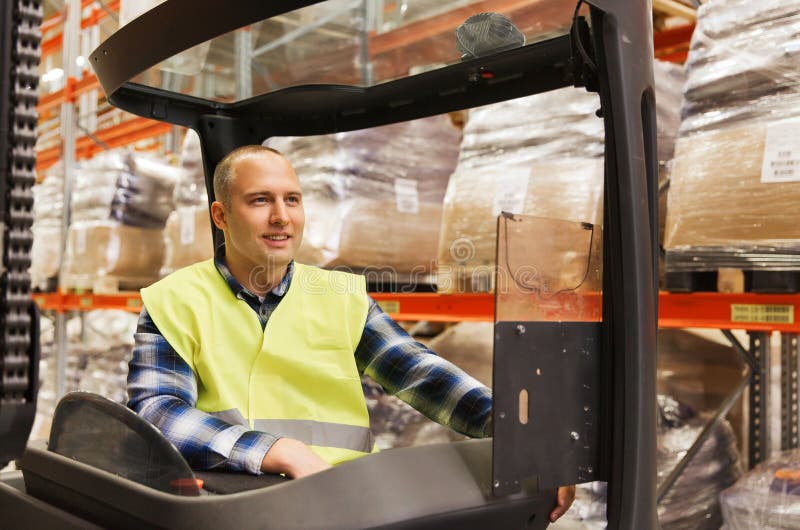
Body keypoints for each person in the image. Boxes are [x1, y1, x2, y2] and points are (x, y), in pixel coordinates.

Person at [128, 145, 575, 521]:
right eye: (261, 200)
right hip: (230, 508)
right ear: (221, 216)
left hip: (345, 507)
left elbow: (424, 374)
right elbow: (157, 411)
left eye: (293, 200)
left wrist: (526, 441)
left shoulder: (340, 295)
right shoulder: (175, 300)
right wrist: (276, 450)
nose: (282, 217)